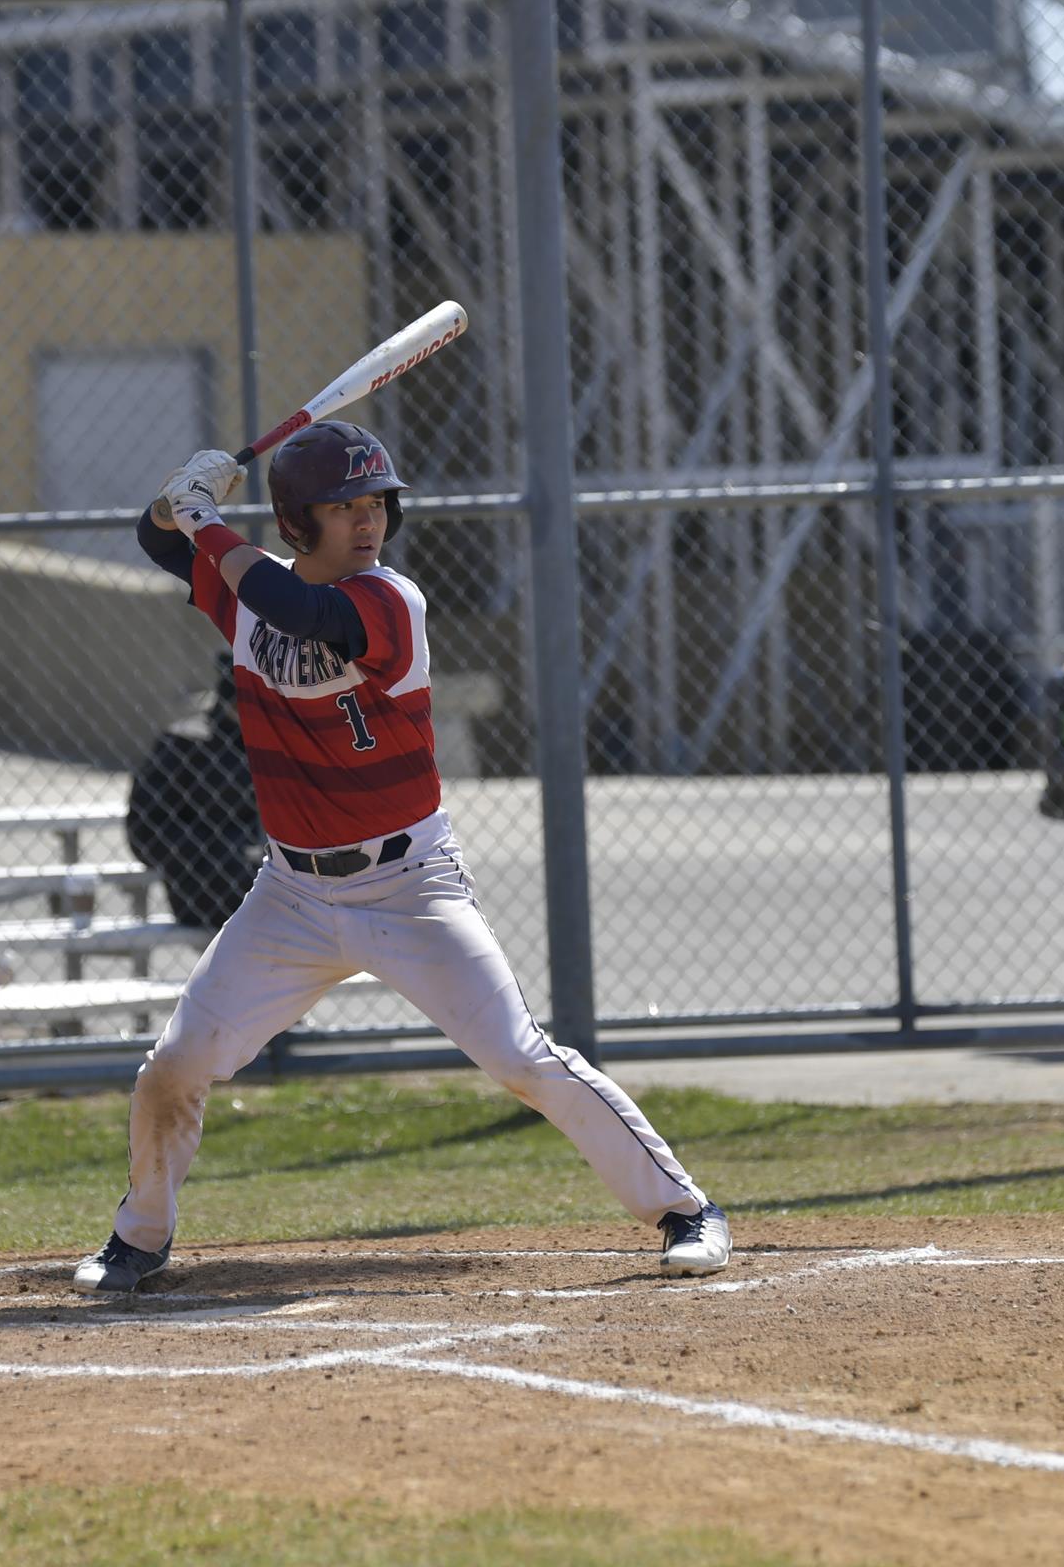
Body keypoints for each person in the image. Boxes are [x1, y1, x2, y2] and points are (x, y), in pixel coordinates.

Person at [71, 423, 728, 1294]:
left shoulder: (387, 600)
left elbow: (303, 612)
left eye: (376, 503)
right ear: (298, 521)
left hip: (410, 886)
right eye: (344, 506)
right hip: (291, 895)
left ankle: (688, 1211)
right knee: (175, 1066)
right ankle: (140, 1236)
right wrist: (181, 498)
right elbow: (159, 541)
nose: (367, 521)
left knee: (520, 1058)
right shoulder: (244, 594)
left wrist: (208, 523)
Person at [125, 652, 263, 932]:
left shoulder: (279, 743)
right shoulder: (185, 744)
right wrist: (216, 854)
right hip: (208, 891)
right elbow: (144, 828)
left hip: (282, 889)